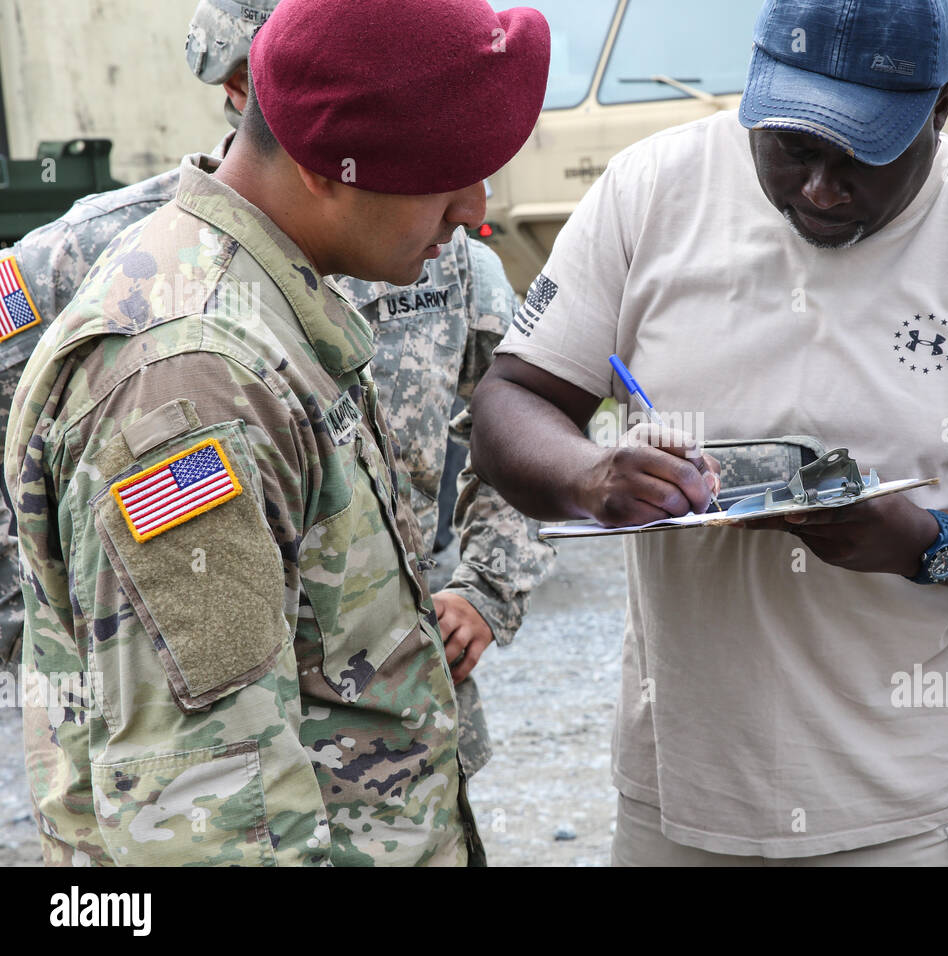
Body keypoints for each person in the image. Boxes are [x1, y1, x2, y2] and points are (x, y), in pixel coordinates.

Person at [470, 0, 948, 866]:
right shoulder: (649, 192)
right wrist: (589, 473)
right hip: (679, 803)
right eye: (793, 147)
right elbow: (512, 400)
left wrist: (926, 542)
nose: (823, 189)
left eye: (864, 153)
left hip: (910, 817)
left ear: (941, 108)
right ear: (754, 86)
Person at [4, 0, 549, 866]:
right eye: (444, 175)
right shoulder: (191, 385)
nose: (472, 212)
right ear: (324, 168)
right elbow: (209, 815)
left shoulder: (269, 302)